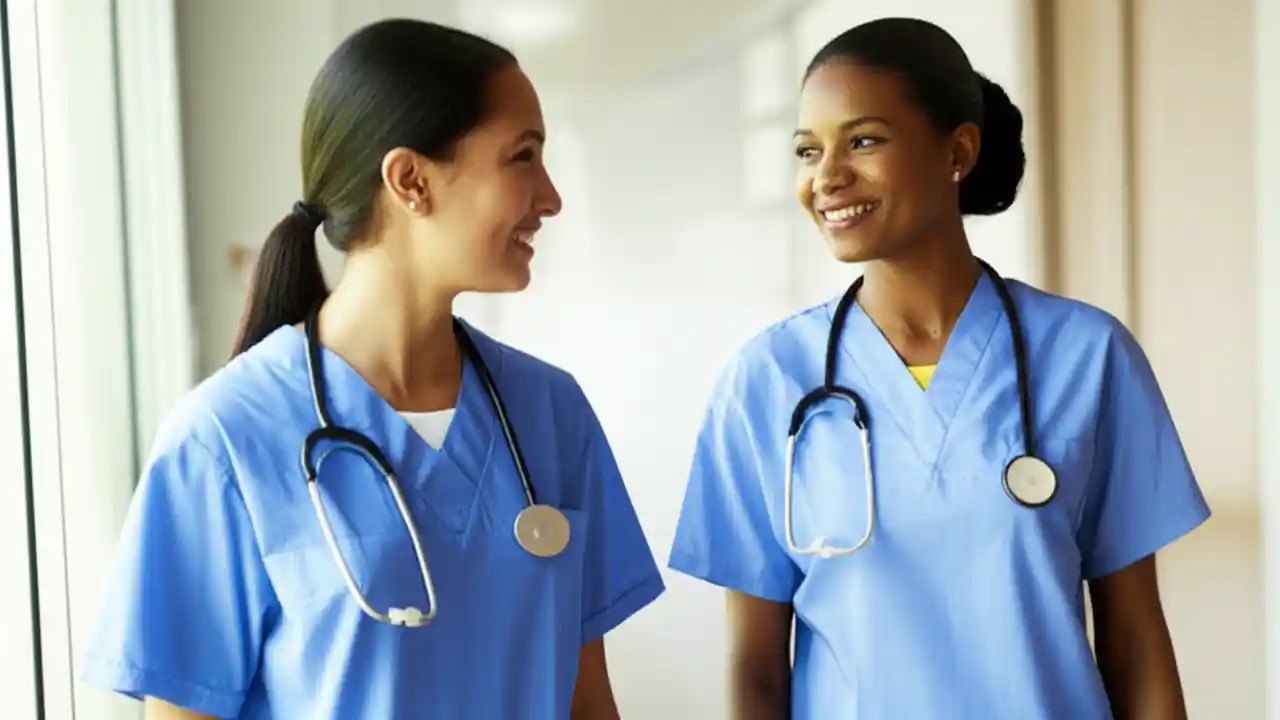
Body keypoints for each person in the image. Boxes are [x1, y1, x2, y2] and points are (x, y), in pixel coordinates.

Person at [79, 19, 663, 719]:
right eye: (523, 157)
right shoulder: (224, 439)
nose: (551, 196)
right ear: (411, 180)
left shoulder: (550, 413)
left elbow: (588, 701)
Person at [667, 17, 1207, 720]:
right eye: (807, 150)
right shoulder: (767, 380)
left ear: (958, 152)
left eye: (862, 141)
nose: (826, 177)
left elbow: (1136, 644)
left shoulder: (1087, 357)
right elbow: (754, 665)